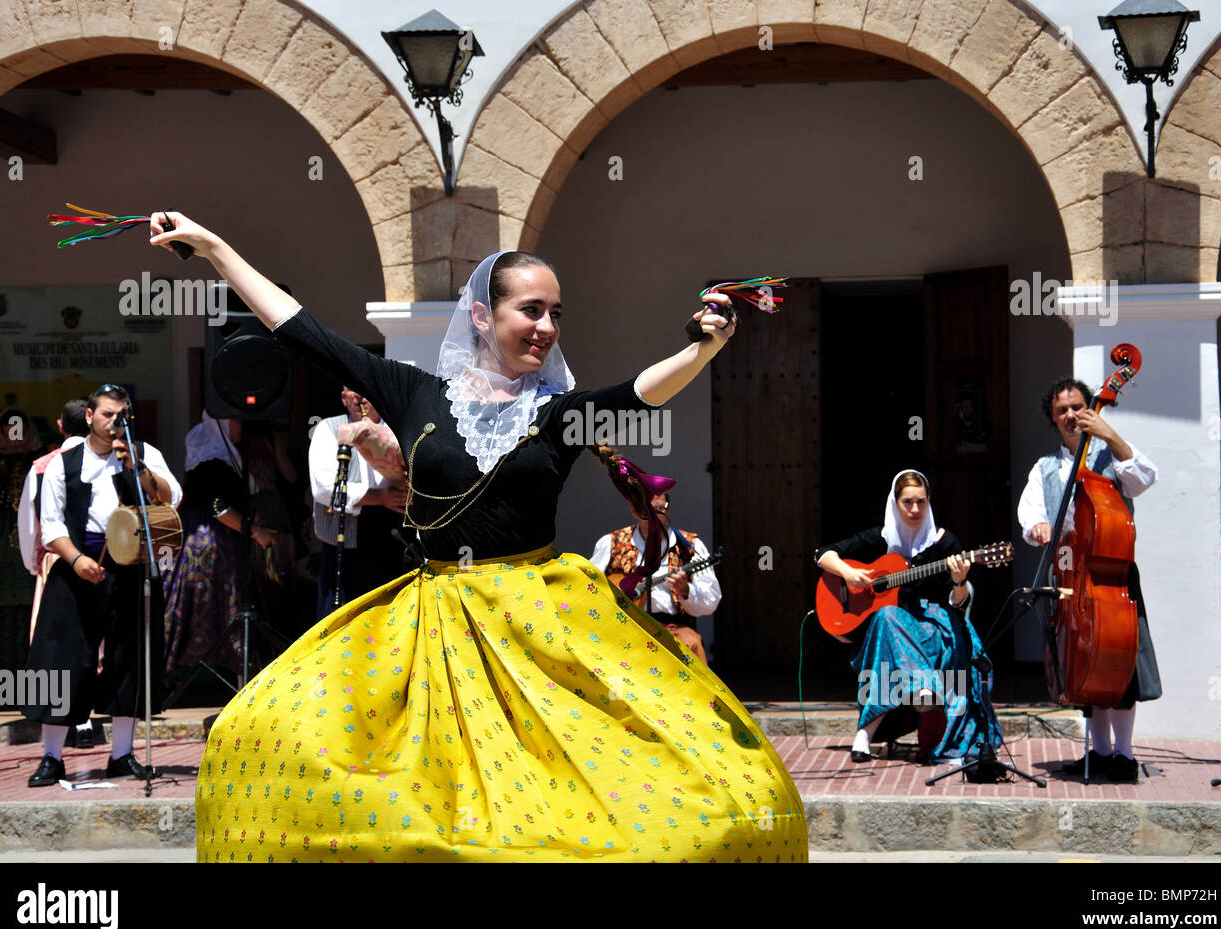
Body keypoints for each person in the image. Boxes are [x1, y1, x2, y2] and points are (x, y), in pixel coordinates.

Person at [149, 211, 807, 862]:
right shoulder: (414, 394)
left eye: (555, 313)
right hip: (434, 622)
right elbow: (301, 329)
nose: (547, 327)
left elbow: (638, 396)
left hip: (538, 622)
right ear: (482, 316)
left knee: (558, 799)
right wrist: (214, 248)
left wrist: (704, 347)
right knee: (276, 736)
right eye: (531, 309)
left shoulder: (556, 415)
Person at [21, 384, 183, 786]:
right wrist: (75, 559)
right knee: (64, 657)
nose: (115, 423)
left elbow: (172, 497)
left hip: (131, 565)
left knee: (129, 658)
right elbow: (52, 521)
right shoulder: (64, 462)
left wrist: (139, 471)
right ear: (90, 417)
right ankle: (52, 756)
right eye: (108, 415)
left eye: (121, 415)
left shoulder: (144, 454)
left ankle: (122, 754)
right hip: (78, 563)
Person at [1018, 377, 1160, 782]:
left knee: (1120, 664)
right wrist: (1039, 526)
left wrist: (1110, 434)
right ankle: (1099, 752)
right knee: (1082, 663)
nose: (1070, 416)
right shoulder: (1045, 467)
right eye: (1062, 410)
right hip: (1067, 575)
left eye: (1077, 407)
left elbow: (1144, 478)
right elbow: (1030, 512)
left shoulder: (1111, 456)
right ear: (1053, 418)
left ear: (1089, 409)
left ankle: (1126, 754)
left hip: (1110, 575)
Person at [816, 470, 1000, 764]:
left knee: (887, 622)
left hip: (936, 628)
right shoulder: (880, 539)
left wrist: (960, 581)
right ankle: (921, 690)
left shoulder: (946, 544)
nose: (915, 509)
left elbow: (957, 603)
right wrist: (849, 573)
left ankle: (865, 731)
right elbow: (823, 554)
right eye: (907, 502)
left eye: (921, 502)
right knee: (888, 617)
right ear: (895, 503)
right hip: (893, 628)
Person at [162, 412, 294, 677]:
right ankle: (209, 677)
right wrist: (256, 532)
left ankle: (215, 677)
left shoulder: (217, 459)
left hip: (216, 541)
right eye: (235, 420)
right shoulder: (213, 462)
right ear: (221, 425)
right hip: (211, 545)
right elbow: (218, 508)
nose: (240, 425)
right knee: (218, 606)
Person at [16, 398, 95, 746]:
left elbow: (28, 525)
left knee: (56, 642)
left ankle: (62, 725)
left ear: (60, 426)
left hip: (57, 560)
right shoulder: (103, 462)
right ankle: (86, 720)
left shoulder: (42, 466)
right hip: (99, 559)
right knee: (96, 642)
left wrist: (35, 562)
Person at [590, 471, 721, 664]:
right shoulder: (610, 543)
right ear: (634, 510)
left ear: (668, 509)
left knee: (690, 643)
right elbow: (587, 587)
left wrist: (687, 591)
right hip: (625, 627)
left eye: (659, 510)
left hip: (674, 628)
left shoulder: (691, 547)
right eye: (646, 510)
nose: (653, 517)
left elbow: (711, 601)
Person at [309, 386, 417, 619]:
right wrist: (379, 497)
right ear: (343, 398)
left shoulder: (400, 427)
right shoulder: (328, 429)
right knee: (343, 622)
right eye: (352, 390)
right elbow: (324, 487)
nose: (359, 396)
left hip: (394, 540)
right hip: (345, 546)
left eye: (365, 388)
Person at [0, 410, 43, 673]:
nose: (17, 438)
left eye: (21, 431)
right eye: (11, 432)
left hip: (30, 538)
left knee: (31, 604)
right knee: (1, 608)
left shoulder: (41, 461)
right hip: (1, 544)